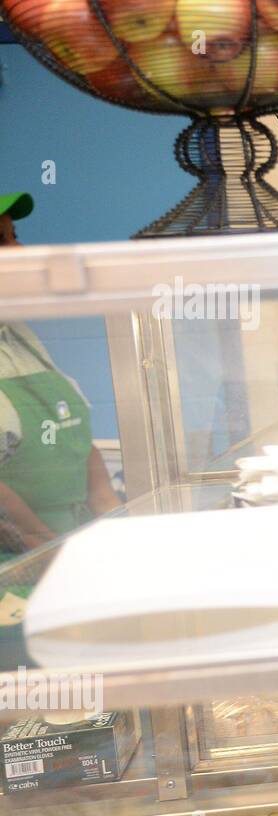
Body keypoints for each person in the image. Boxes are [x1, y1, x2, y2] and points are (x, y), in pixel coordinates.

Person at [0, 192, 122, 564]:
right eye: (1, 242)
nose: (20, 252)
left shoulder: (17, 332)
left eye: (15, 236)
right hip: (16, 568)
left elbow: (81, 446)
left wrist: (119, 527)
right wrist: (51, 556)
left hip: (70, 551)